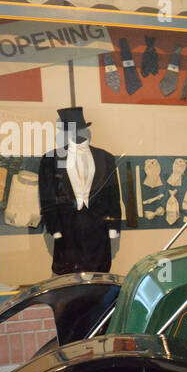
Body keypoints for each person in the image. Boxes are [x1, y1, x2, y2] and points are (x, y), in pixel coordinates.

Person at [38, 106, 122, 274]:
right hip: (67, 225)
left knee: (100, 272)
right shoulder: (50, 159)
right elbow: (47, 196)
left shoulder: (105, 157)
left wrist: (114, 226)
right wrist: (54, 229)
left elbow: (113, 195)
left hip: (98, 224)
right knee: (68, 274)